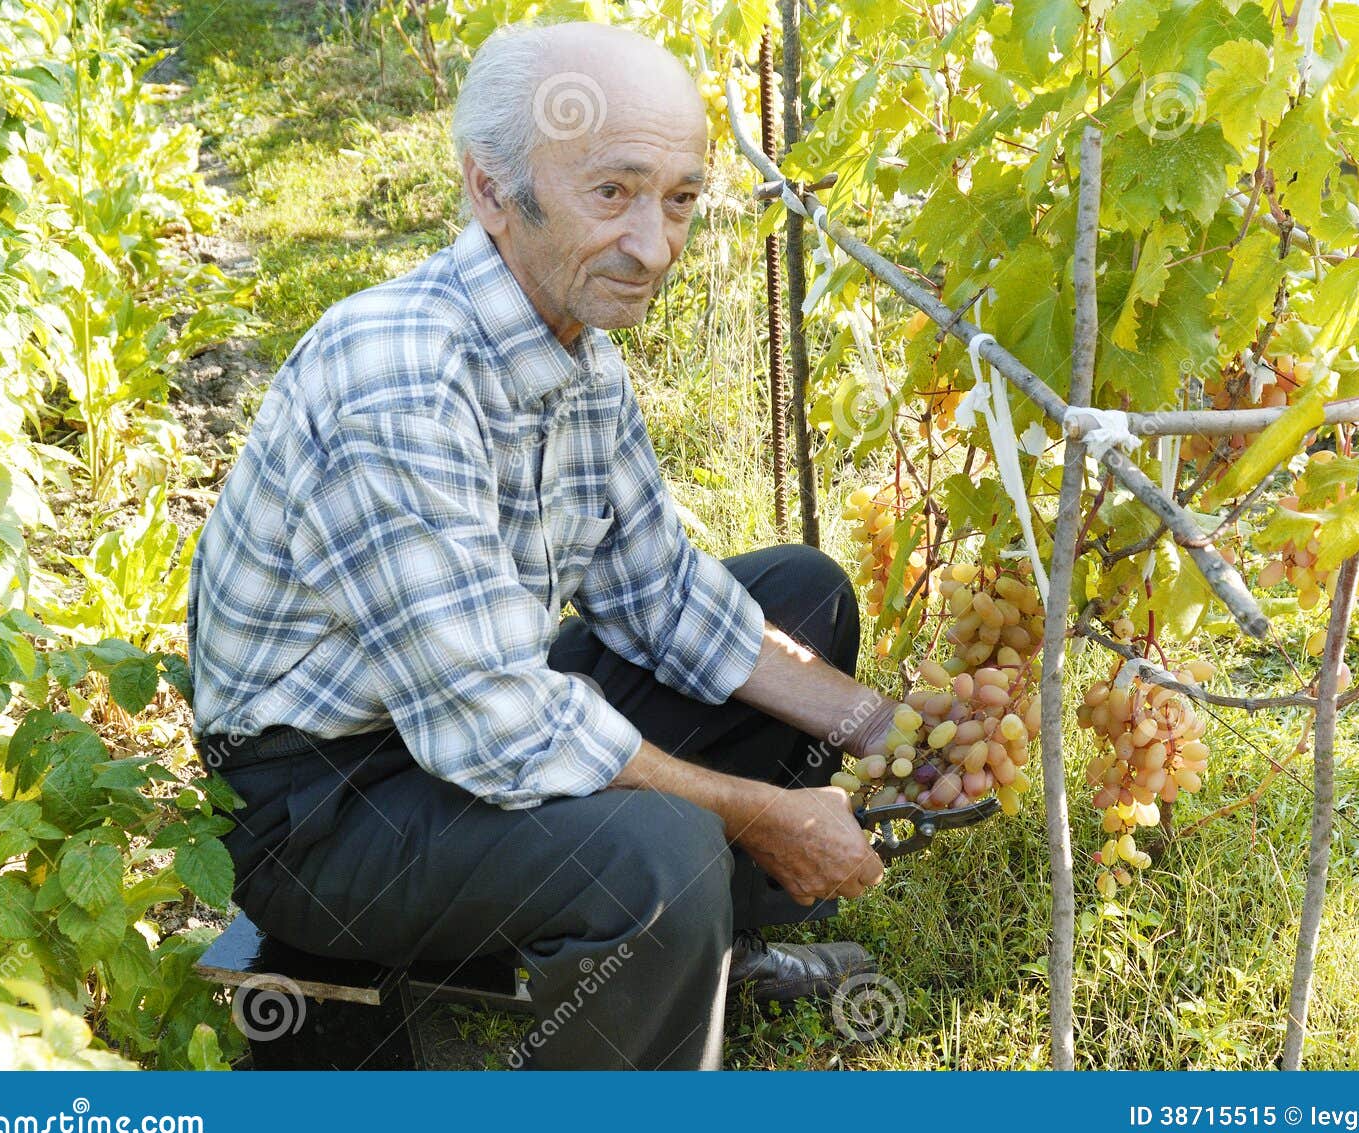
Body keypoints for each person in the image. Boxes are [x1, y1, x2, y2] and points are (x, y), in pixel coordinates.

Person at [187, 19, 903, 1070]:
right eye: (611, 194)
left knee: (798, 597)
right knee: (660, 850)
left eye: (680, 199)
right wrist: (760, 813)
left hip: (451, 716)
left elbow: (660, 595)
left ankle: (705, 952)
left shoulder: (577, 356)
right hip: (321, 809)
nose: (655, 246)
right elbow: (499, 725)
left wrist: (881, 724)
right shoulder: (398, 386)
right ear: (490, 190)